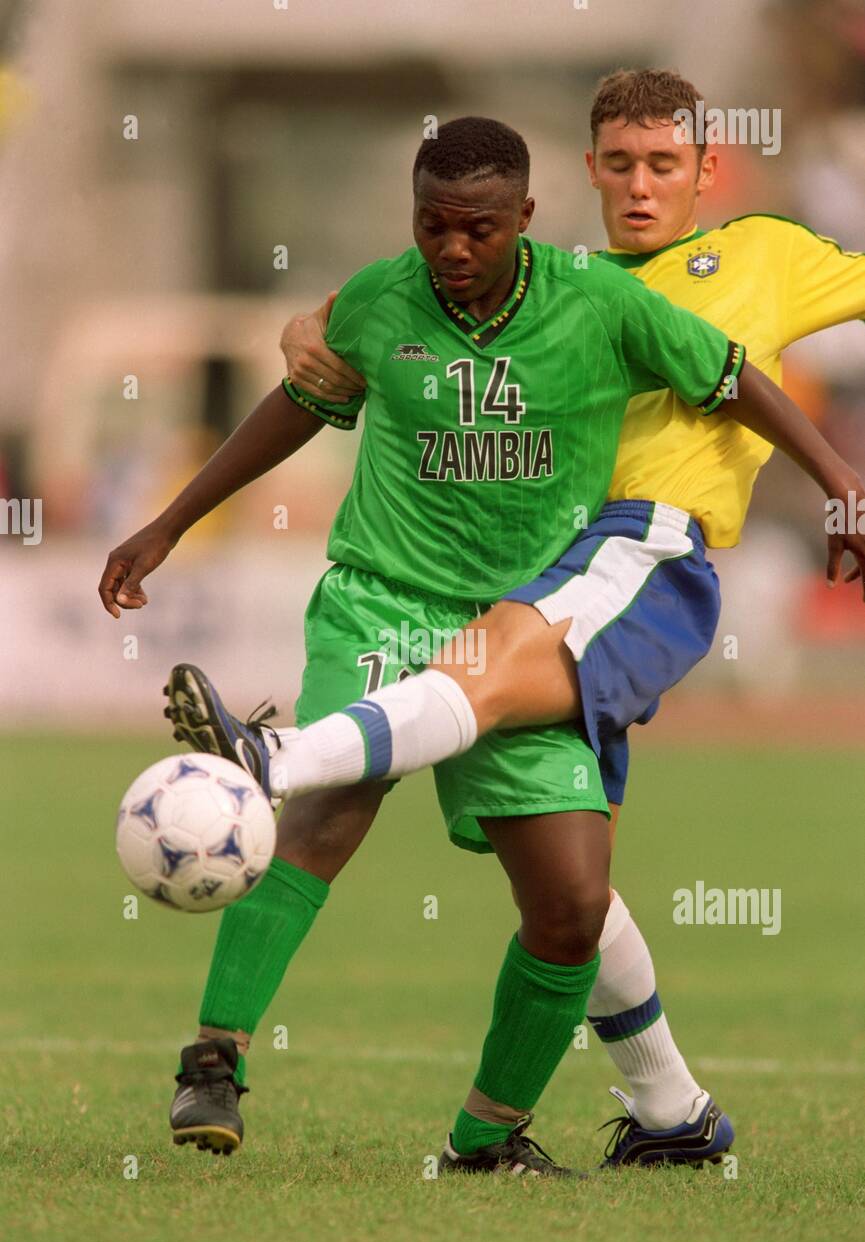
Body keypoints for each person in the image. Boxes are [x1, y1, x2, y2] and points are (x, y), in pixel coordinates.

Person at [99, 111, 851, 1174]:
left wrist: (838, 478)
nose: (452, 250)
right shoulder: (376, 300)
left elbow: (731, 376)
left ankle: (485, 1142)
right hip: (383, 600)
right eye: (432, 226)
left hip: (518, 626)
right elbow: (301, 404)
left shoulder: (602, 303)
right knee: (329, 810)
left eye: (477, 230)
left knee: (572, 899)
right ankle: (212, 1056)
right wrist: (168, 522)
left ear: (526, 218)